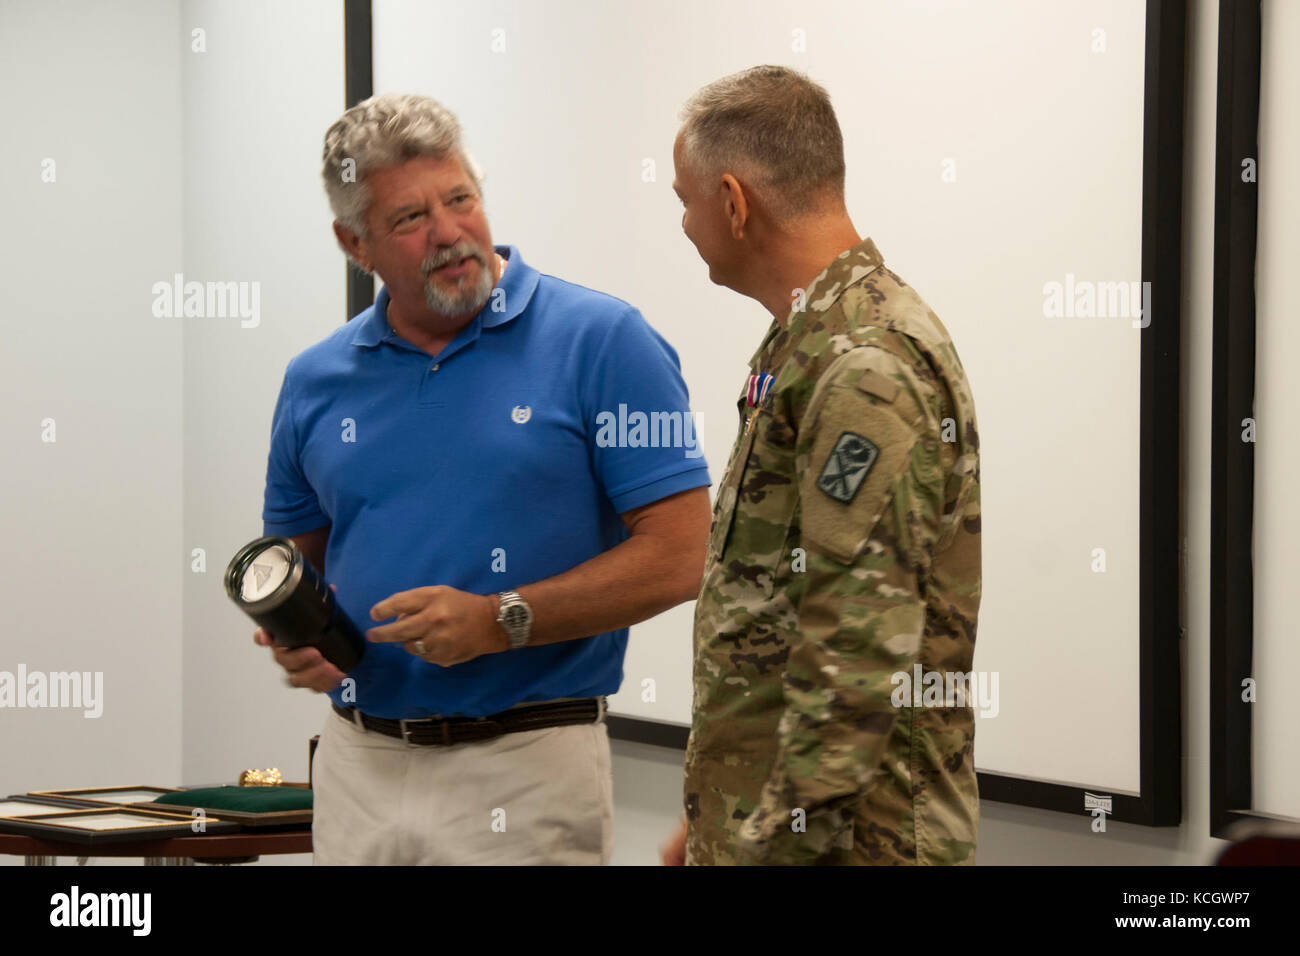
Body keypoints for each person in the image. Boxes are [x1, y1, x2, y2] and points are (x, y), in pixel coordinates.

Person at [255, 92, 712, 865]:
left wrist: (502, 618)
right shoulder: (314, 380)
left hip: (526, 768)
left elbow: (681, 555)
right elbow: (297, 568)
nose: (449, 233)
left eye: (461, 199)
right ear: (353, 241)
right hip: (356, 768)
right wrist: (298, 641)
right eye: (409, 219)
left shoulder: (603, 342)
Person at [660, 65, 982, 865]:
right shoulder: (808, 336)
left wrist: (763, 847)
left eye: (684, 200)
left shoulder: (863, 363)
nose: (685, 225)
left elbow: (854, 662)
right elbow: (776, 610)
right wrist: (711, 824)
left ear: (734, 203)